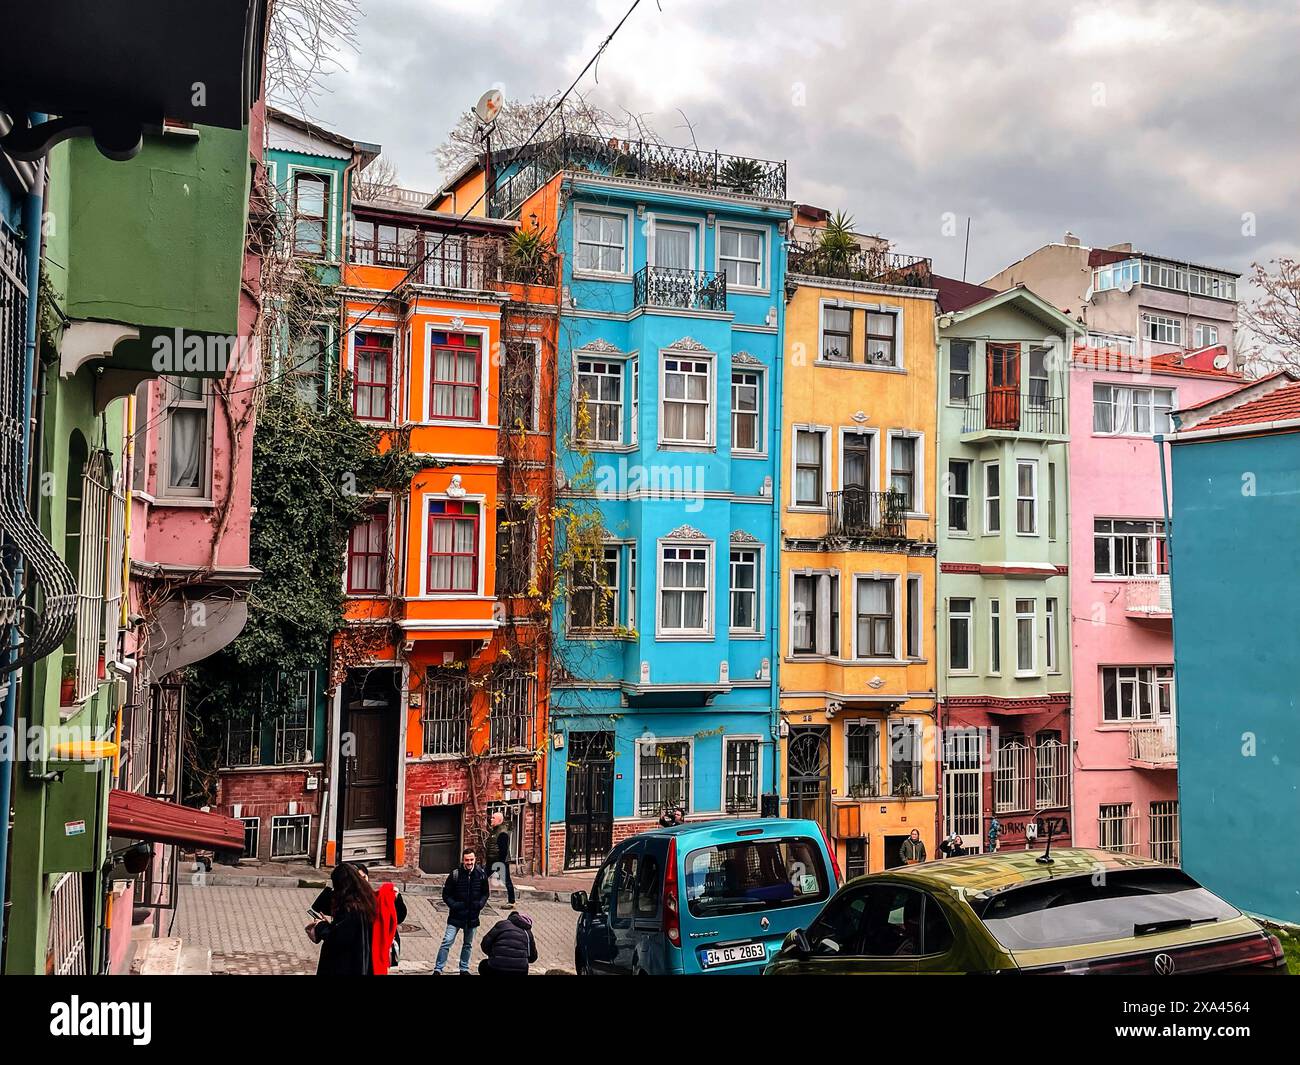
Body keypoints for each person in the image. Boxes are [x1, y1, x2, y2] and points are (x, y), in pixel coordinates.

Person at [310, 862, 408, 970]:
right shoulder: (349, 899)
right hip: (363, 963)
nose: (362, 880)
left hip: (352, 964)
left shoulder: (359, 904)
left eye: (364, 877)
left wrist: (321, 927)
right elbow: (319, 907)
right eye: (358, 877)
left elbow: (339, 938)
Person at [307, 863, 376, 975]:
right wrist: (332, 925)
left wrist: (321, 926)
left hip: (345, 966)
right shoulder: (364, 900)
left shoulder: (351, 908)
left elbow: (338, 938)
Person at [434, 847, 490, 975]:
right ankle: (438, 969)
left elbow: (485, 893)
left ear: (475, 859)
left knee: (468, 944)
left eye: (471, 860)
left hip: (472, 917)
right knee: (446, 942)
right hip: (456, 916)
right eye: (467, 860)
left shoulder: (481, 874)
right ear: (463, 860)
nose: (469, 862)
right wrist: (454, 905)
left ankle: (464, 969)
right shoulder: (455, 874)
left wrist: (480, 904)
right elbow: (446, 894)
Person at [478, 910, 538, 975]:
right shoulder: (528, 933)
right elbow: (532, 958)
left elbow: (485, 945)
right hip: (520, 971)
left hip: (496, 967)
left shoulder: (502, 924)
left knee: (483, 965)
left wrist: (494, 954)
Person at [488, 811, 515, 908]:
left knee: (507, 880)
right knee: (482, 877)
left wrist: (500, 863)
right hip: (492, 860)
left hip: (499, 861)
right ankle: (479, 897)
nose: (491, 819)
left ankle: (511, 902)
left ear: (499, 820)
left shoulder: (502, 833)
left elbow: (503, 850)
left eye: (493, 818)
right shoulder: (495, 830)